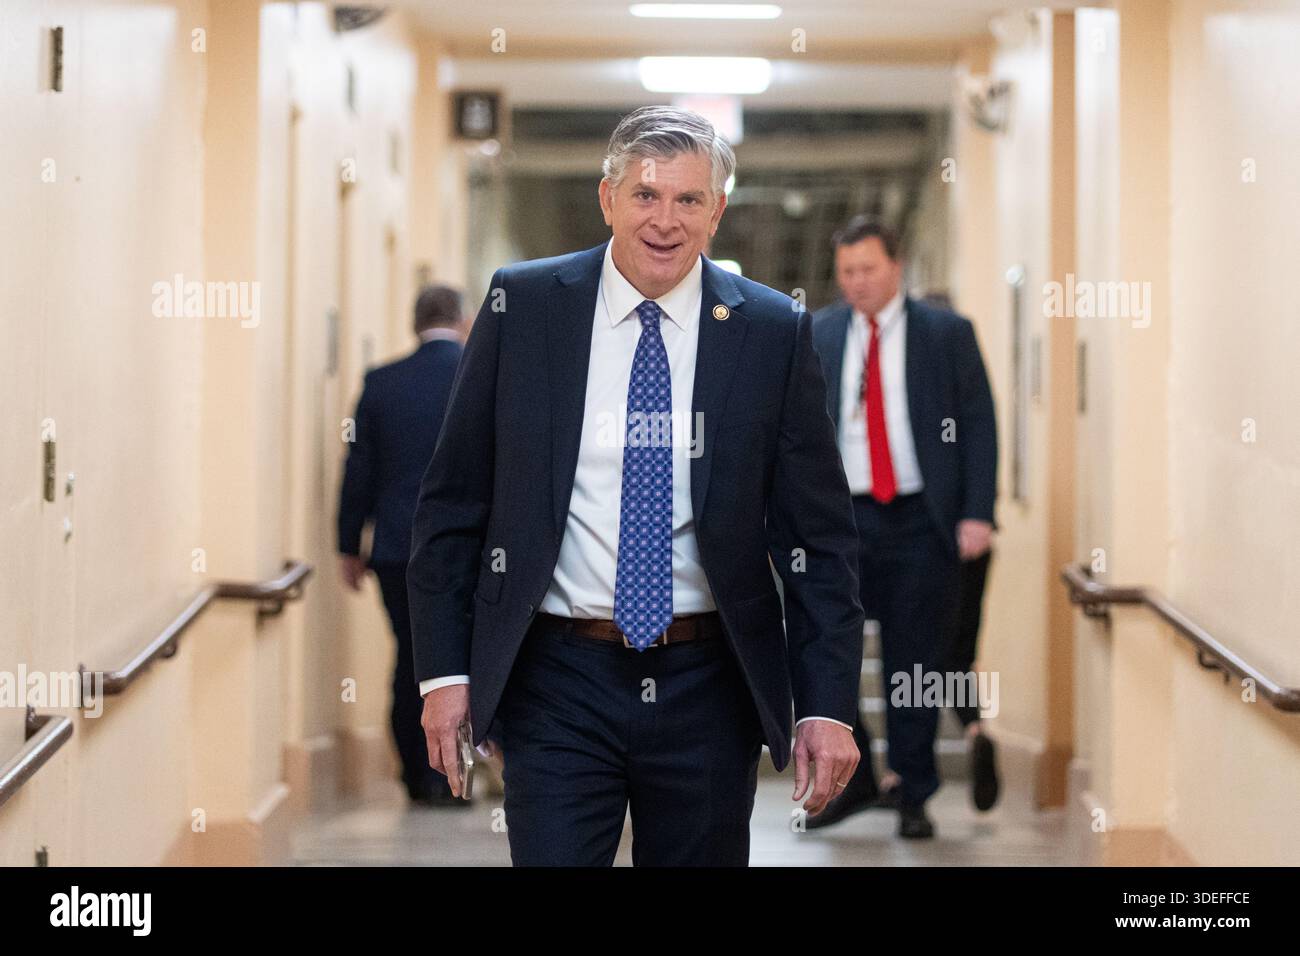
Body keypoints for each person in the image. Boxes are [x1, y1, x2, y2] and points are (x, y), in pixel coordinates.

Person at [407, 106, 865, 866]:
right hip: (555, 678)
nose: (666, 220)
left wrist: (825, 704)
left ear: (717, 210)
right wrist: (446, 675)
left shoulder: (771, 330)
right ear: (607, 199)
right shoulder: (524, 307)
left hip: (708, 684)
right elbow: (453, 500)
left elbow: (819, 537)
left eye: (690, 199)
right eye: (646, 196)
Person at [806, 217, 997, 838]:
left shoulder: (946, 333)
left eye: (867, 270)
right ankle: (857, 780)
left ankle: (913, 790)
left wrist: (976, 513)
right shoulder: (820, 333)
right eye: (846, 274)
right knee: (823, 649)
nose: (856, 283)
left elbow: (979, 425)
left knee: (915, 662)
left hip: (921, 520)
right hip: (843, 521)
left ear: (896, 267)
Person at [337, 285, 466, 807]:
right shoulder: (477, 374)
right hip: (468, 549)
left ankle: (420, 776)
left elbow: (358, 469)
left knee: (412, 657)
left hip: (395, 548)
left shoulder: (381, 383)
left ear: (415, 322)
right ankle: (459, 774)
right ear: (460, 320)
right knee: (465, 661)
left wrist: (348, 544)